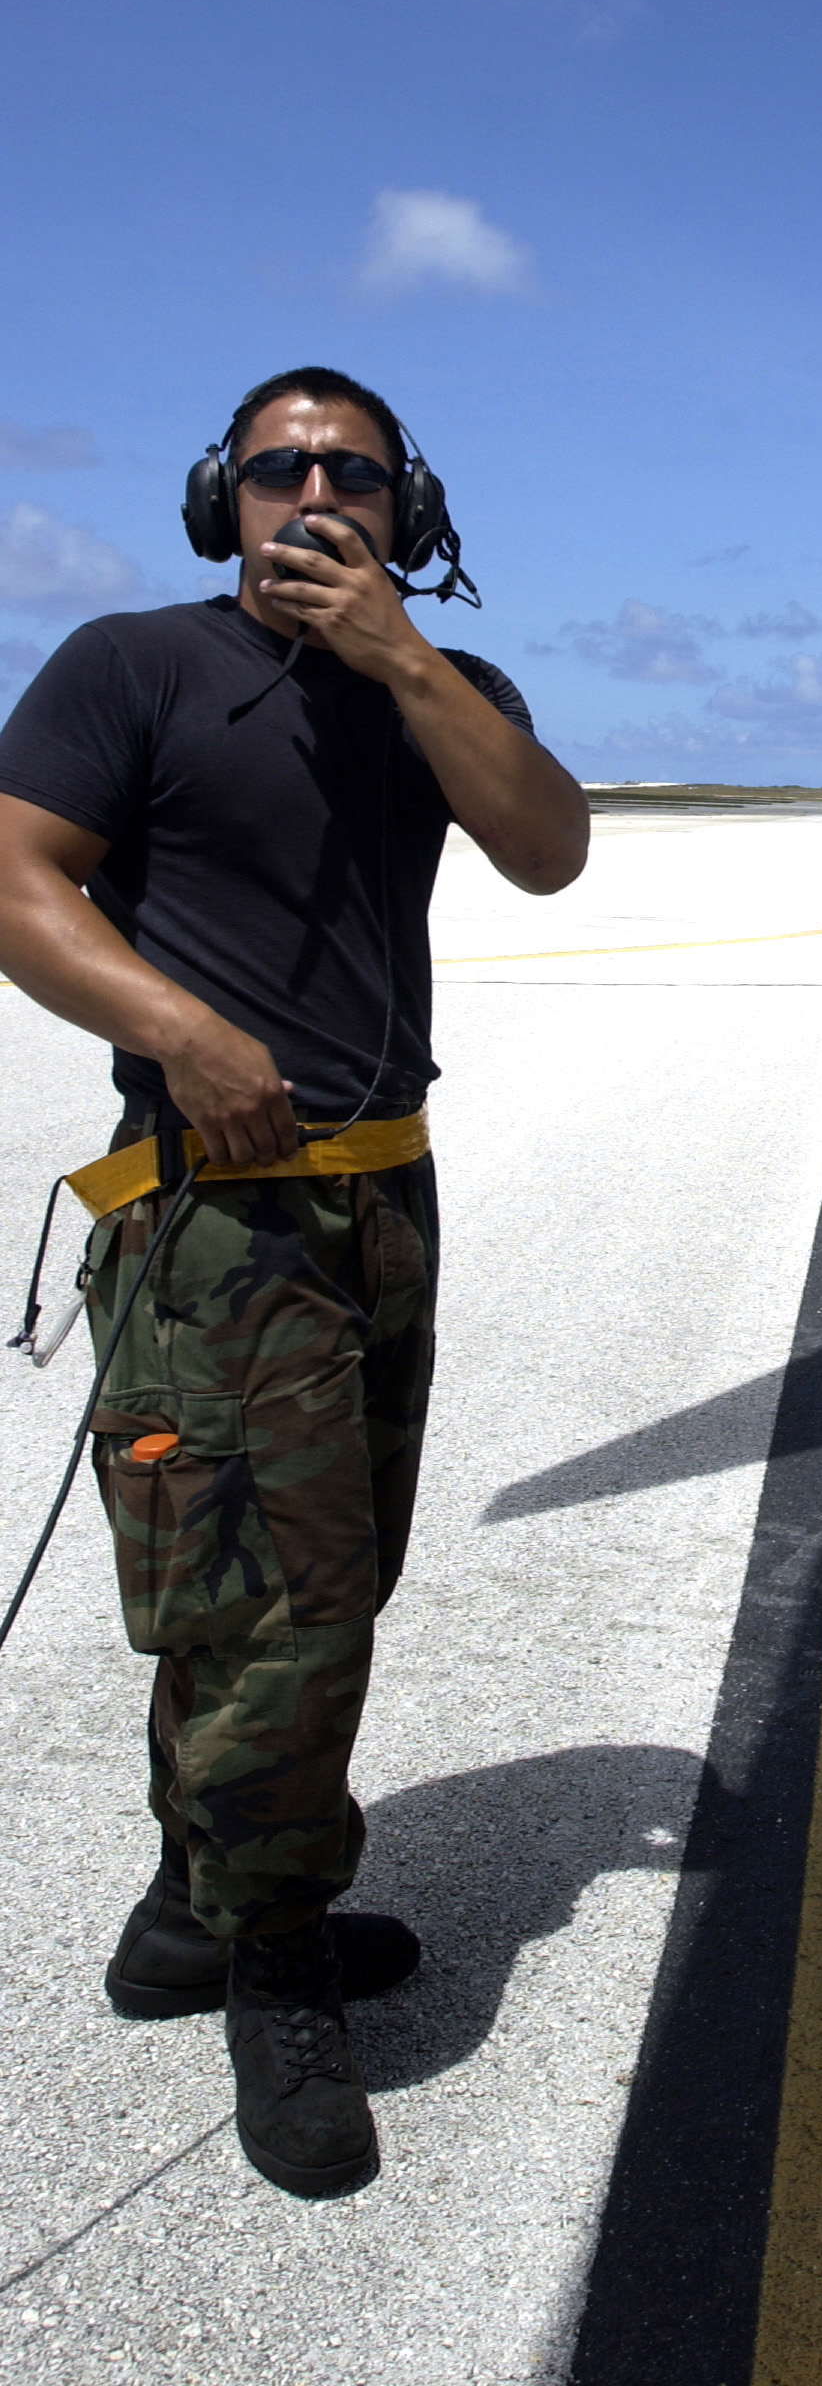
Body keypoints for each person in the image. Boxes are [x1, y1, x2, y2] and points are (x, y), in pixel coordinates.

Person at [0, 366, 588, 2200]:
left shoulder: (442, 689)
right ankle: (272, 1963)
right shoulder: (135, 664)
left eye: (353, 471)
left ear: (407, 512)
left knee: (317, 1579)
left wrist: (407, 661)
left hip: (380, 1199)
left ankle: (195, 1906)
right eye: (278, 465)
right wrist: (181, 1029)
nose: (312, 490)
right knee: (280, 1608)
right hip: (216, 1212)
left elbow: (549, 848)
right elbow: (17, 877)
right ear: (221, 494)